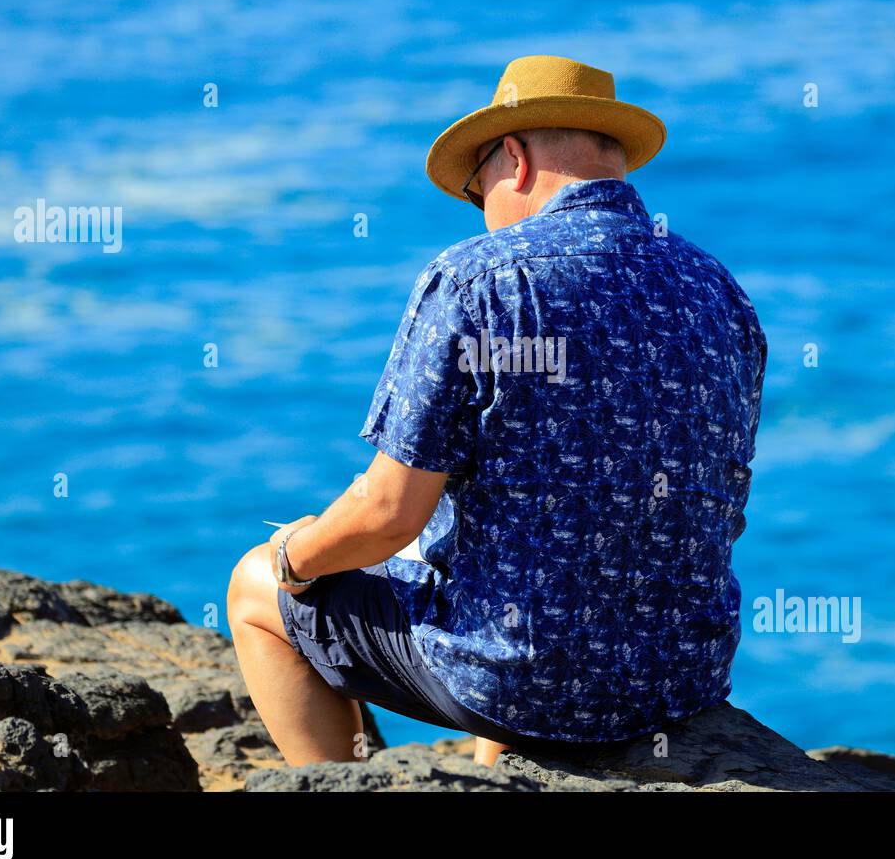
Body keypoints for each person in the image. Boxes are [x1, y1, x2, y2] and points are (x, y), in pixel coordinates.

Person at [227, 55, 767, 768]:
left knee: (253, 588)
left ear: (512, 157)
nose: (480, 210)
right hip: (679, 681)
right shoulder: (717, 289)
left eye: (475, 186)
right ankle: (499, 777)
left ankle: (342, 786)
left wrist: (295, 555)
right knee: (529, 557)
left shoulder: (476, 278)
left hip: (527, 682)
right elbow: (723, 507)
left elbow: (388, 515)